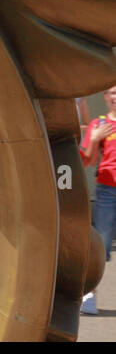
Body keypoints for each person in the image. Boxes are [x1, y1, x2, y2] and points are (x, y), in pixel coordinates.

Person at [80, 84, 116, 315]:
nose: (115, 97)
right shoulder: (99, 124)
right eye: (112, 93)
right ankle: (89, 294)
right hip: (108, 192)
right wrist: (93, 139)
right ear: (105, 97)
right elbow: (87, 160)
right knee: (100, 247)